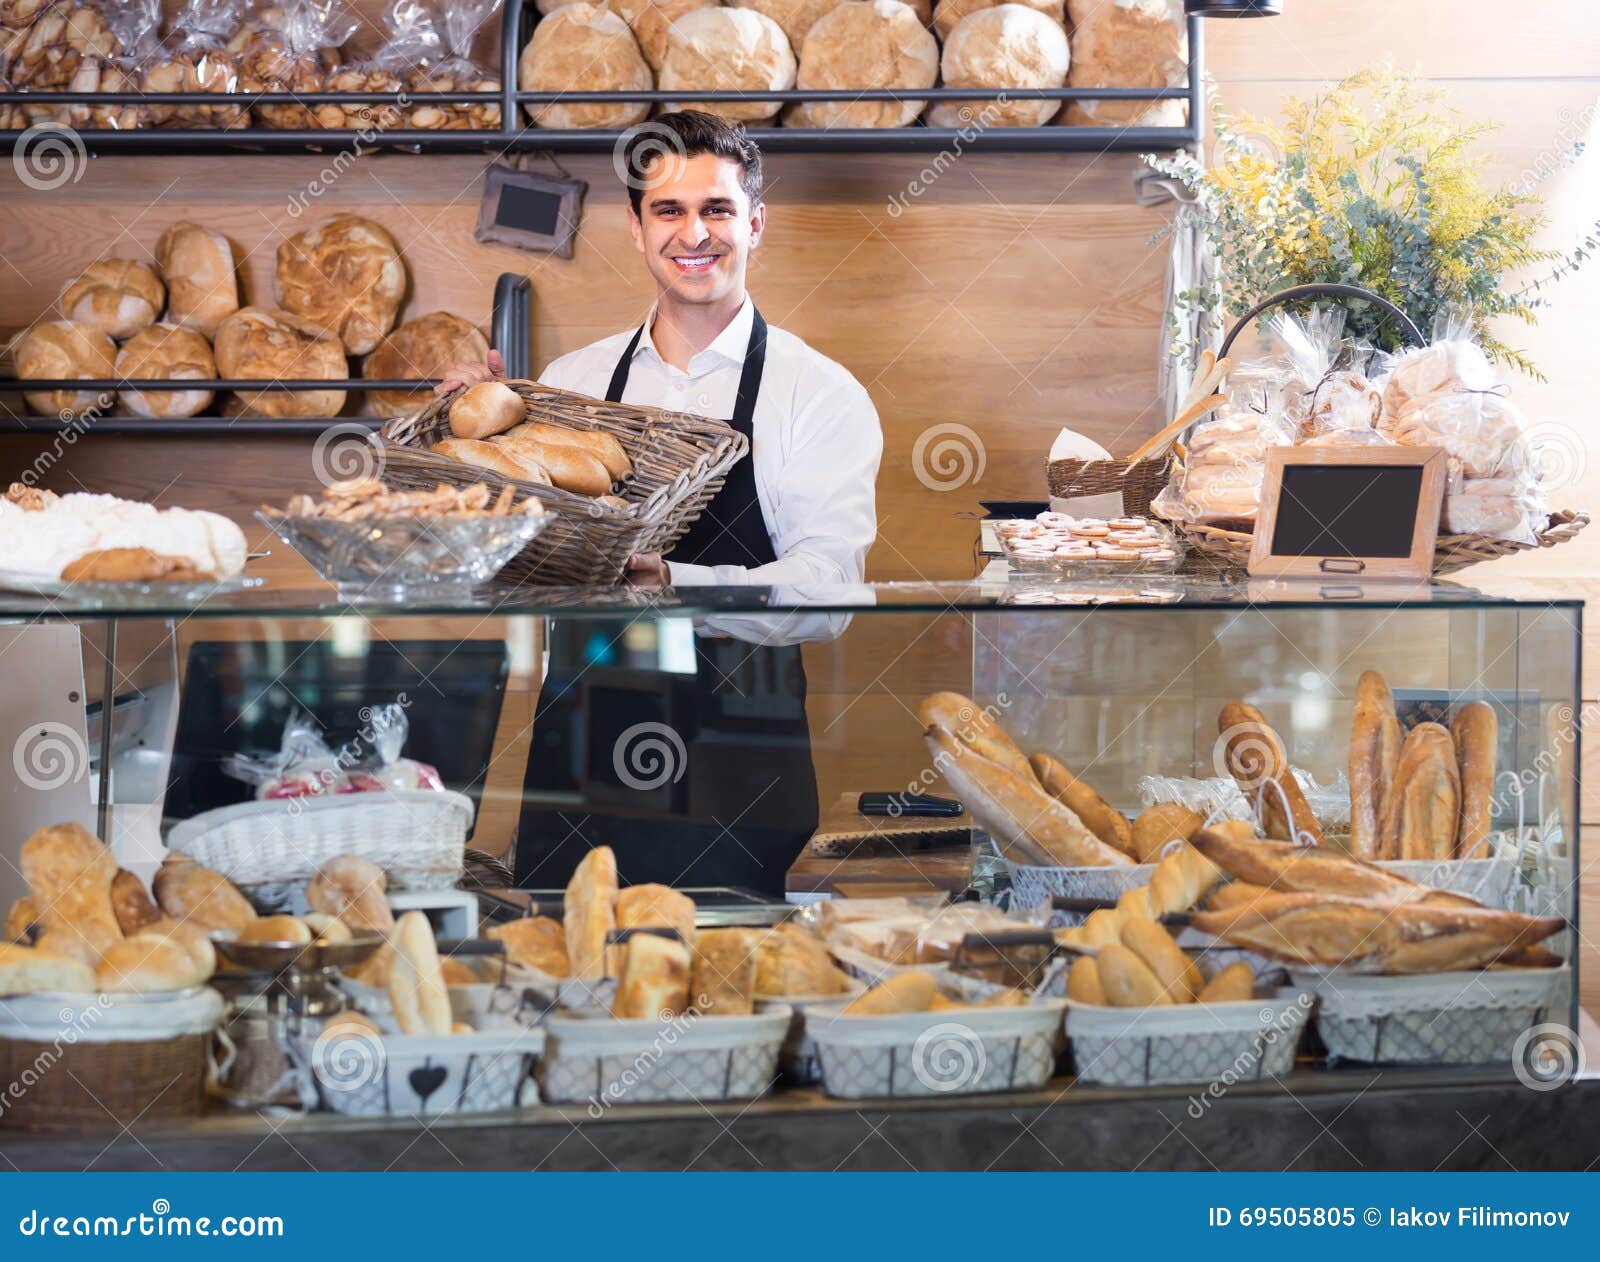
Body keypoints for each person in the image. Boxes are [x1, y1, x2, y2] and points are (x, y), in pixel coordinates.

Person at [440, 110, 883, 897]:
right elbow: (515, 560)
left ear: (755, 223)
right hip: (575, 778)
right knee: (568, 986)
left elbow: (831, 593)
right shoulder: (571, 385)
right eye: (669, 211)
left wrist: (675, 587)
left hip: (738, 781)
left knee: (729, 997)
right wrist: (463, 439)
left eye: (716, 209)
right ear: (638, 231)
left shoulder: (818, 393)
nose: (694, 234)